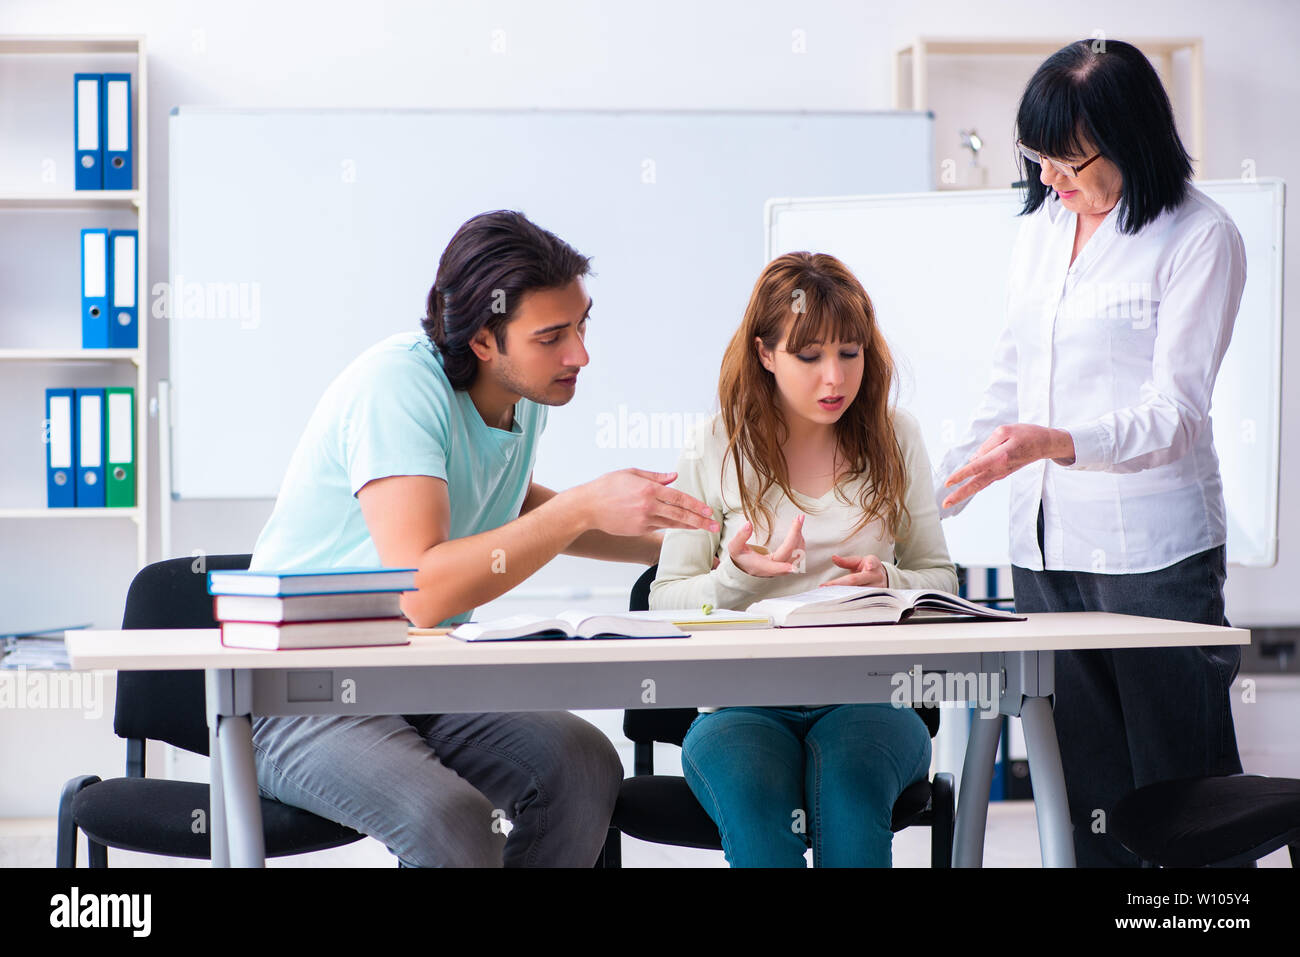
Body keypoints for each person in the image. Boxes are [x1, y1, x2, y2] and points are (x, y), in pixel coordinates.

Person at [247, 209, 720, 867]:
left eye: (581, 325)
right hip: (302, 695)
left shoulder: (518, 400)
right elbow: (423, 592)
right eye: (551, 336)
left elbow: (510, 504)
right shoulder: (399, 385)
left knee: (582, 763)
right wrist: (582, 505)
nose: (579, 354)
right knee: (454, 821)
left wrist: (699, 540)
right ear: (482, 342)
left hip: (418, 682)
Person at [935, 40, 1247, 867]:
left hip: (1155, 555)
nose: (1048, 180)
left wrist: (1062, 443)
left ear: (1131, 140)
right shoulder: (1042, 228)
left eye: (1067, 161)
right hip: (1045, 548)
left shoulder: (1200, 236)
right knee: (1087, 794)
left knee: (1185, 792)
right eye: (1038, 159)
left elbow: (1175, 413)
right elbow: (1009, 379)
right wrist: (937, 489)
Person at [649, 251, 957, 867]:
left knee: (849, 798)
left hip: (870, 698)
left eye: (851, 351)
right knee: (758, 813)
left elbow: (940, 578)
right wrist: (736, 577)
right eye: (809, 356)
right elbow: (665, 602)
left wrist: (888, 581)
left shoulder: (898, 436)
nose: (835, 379)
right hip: (742, 702)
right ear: (765, 353)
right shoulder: (716, 445)